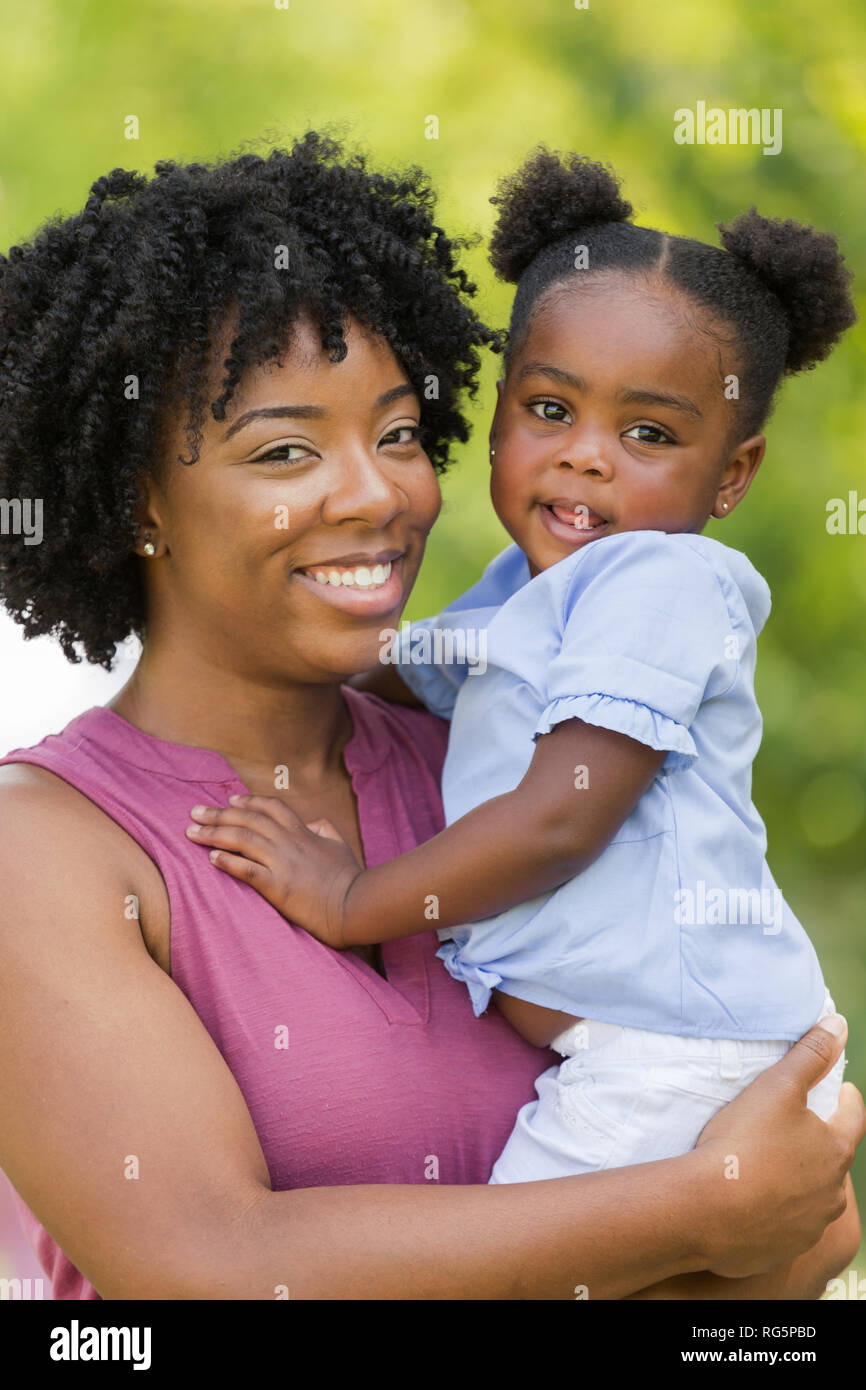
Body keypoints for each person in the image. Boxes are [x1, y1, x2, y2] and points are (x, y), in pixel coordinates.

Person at [0, 133, 860, 1300]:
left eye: (399, 433)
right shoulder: (44, 846)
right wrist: (705, 1205)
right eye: (288, 448)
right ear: (137, 495)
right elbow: (209, 1270)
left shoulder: (491, 767)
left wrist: (760, 1230)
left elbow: (795, 1248)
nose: (378, 492)